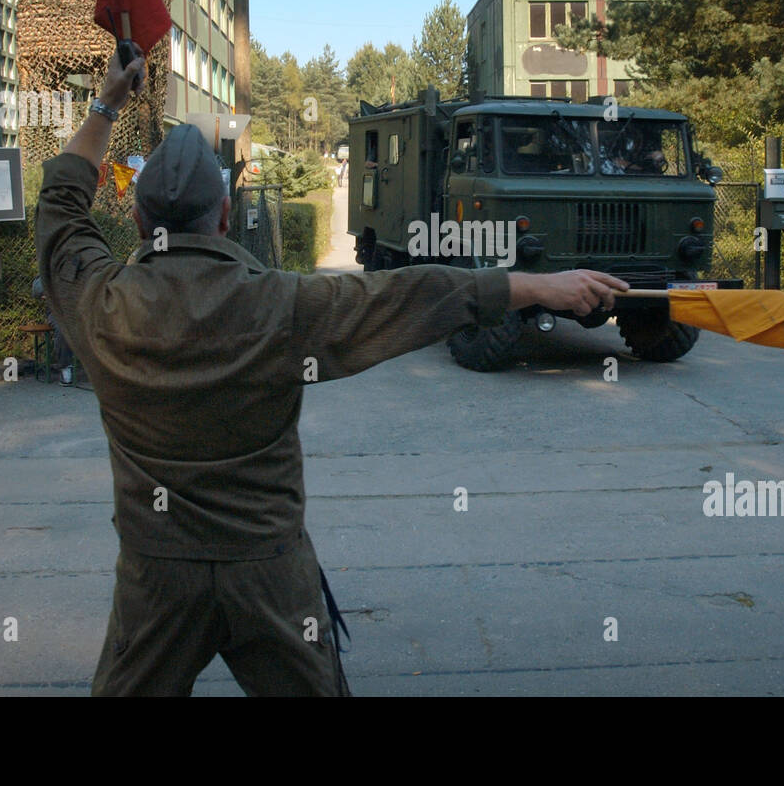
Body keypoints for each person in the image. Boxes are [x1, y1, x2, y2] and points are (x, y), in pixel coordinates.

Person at [35, 50, 629, 696]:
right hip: (270, 575)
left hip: (157, 579)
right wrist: (538, 287)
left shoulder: (101, 307)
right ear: (226, 216)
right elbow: (410, 295)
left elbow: (61, 209)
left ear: (141, 222)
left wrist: (106, 105)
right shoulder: (283, 306)